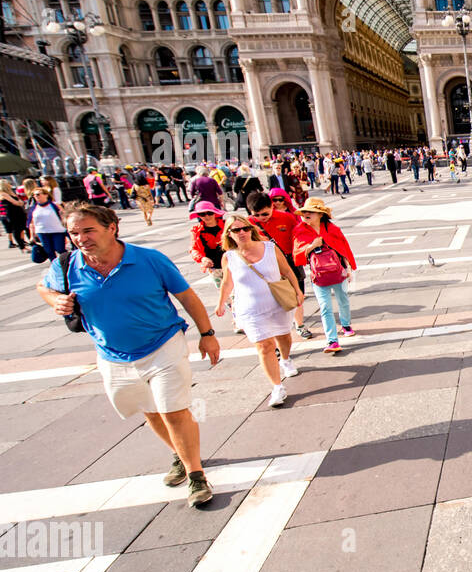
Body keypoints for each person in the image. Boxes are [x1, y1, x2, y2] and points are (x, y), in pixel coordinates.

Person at [36, 202, 222, 507]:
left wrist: (208, 335)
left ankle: (195, 475)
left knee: (173, 410)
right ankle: (179, 454)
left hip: (163, 344)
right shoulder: (66, 266)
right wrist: (55, 300)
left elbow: (187, 296)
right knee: (149, 409)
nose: (81, 238)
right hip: (112, 354)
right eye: (74, 232)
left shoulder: (149, 259)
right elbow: (42, 287)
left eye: (88, 230)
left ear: (112, 227)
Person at [214, 213, 303, 408]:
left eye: (245, 228)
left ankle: (286, 360)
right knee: (264, 346)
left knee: (284, 337)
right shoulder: (228, 257)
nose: (242, 232)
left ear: (251, 229)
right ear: (229, 234)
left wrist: (297, 291)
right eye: (237, 230)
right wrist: (221, 303)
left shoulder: (270, 248)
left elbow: (287, 271)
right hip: (250, 309)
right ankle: (277, 387)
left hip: (278, 303)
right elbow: (227, 282)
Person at [293, 197, 357, 353]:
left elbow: (343, 248)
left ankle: (346, 324)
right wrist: (311, 246)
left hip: (338, 271)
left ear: (321, 214)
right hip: (319, 275)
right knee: (325, 307)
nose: (306, 214)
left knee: (343, 300)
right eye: (304, 212)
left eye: (311, 212)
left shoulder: (332, 229)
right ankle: (332, 341)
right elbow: (297, 256)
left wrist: (348, 268)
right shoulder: (300, 230)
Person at [248, 191, 313, 338]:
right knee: (270, 301)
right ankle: (274, 332)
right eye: (256, 215)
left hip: (289, 261)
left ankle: (300, 325)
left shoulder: (287, 218)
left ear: (272, 206)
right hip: (265, 265)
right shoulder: (248, 224)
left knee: (297, 294)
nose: (260, 218)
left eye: (264, 214)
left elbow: (299, 236)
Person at [26, 186, 67, 259]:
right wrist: (32, 236)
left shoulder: (54, 205)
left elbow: (64, 216)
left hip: (57, 230)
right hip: (42, 232)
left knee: (60, 249)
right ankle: (55, 267)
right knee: (49, 251)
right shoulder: (34, 208)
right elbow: (31, 223)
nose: (36, 196)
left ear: (46, 195)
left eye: (38, 194)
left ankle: (66, 263)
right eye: (34, 195)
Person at [1, 181, 30, 250]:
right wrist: (19, 203)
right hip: (12, 213)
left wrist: (19, 203)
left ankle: (28, 242)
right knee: (16, 229)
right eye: (9, 184)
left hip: (19, 211)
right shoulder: (3, 194)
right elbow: (15, 202)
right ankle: (22, 246)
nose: (10, 185)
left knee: (25, 227)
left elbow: (20, 202)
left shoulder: (11, 192)